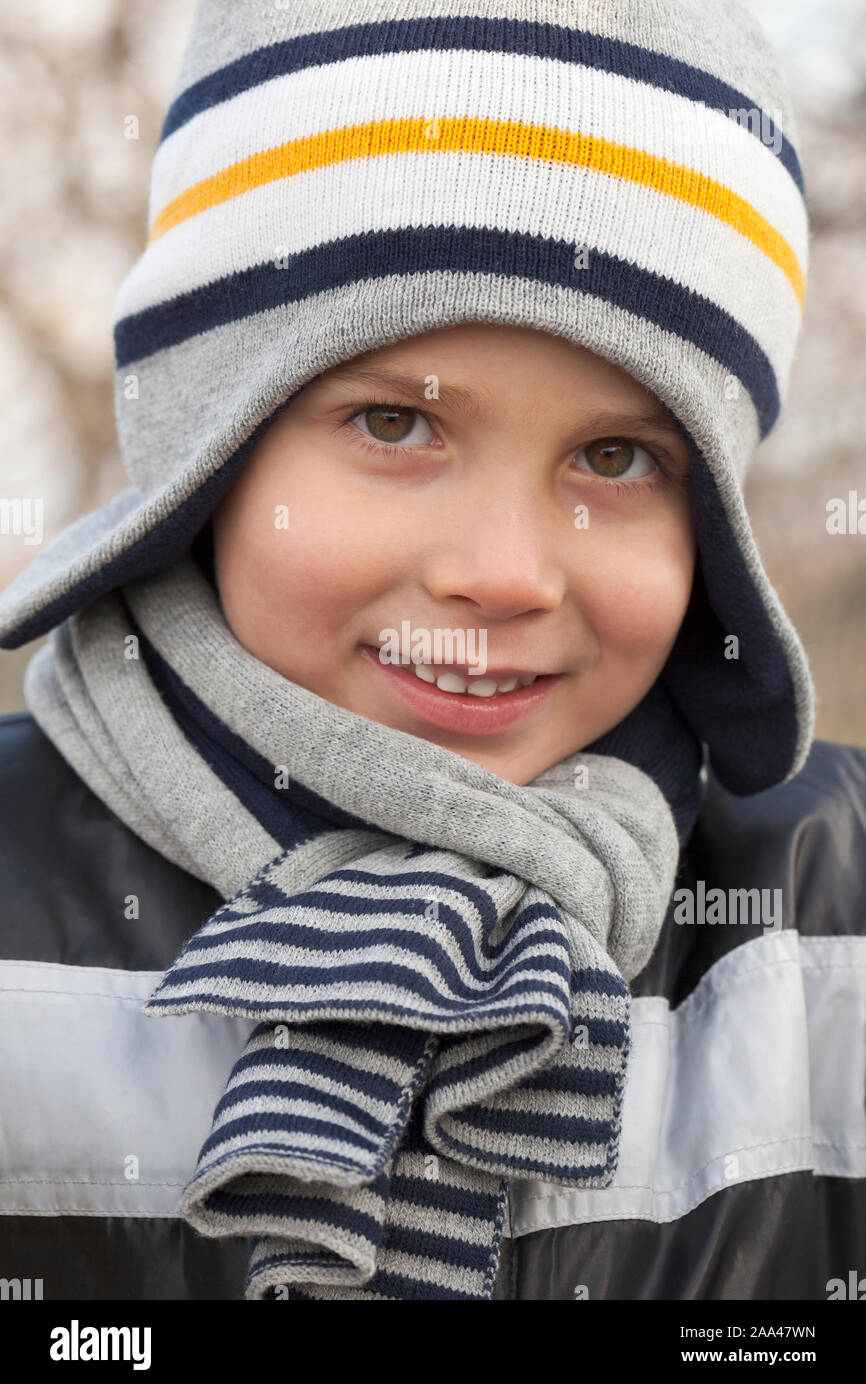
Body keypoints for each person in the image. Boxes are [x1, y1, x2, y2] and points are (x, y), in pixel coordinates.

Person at [0, 0, 863, 1301]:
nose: (505, 570)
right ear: (208, 449)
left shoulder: (820, 923)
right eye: (396, 425)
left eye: (614, 457)